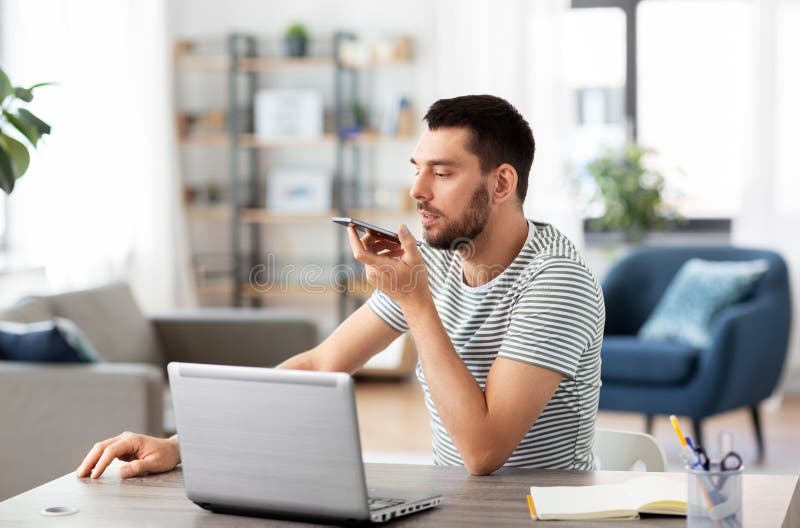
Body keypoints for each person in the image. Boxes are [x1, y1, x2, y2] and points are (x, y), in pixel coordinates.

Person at [77, 94, 604, 480]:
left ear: (503, 183)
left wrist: (415, 302)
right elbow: (319, 365)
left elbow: (484, 453)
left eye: (441, 173)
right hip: (461, 502)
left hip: (536, 510)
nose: (417, 190)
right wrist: (180, 444)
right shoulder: (442, 261)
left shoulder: (557, 282)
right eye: (417, 169)